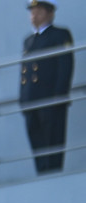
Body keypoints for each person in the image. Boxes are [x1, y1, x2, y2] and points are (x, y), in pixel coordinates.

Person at [22, 2, 74, 174]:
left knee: (52, 142)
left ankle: (53, 173)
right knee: (37, 144)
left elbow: (65, 66)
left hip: (50, 98)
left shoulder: (59, 35)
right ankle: (42, 173)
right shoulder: (28, 41)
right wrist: (23, 100)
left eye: (38, 11)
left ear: (50, 14)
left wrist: (60, 96)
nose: (34, 15)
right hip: (31, 101)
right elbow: (24, 72)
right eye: (32, 12)